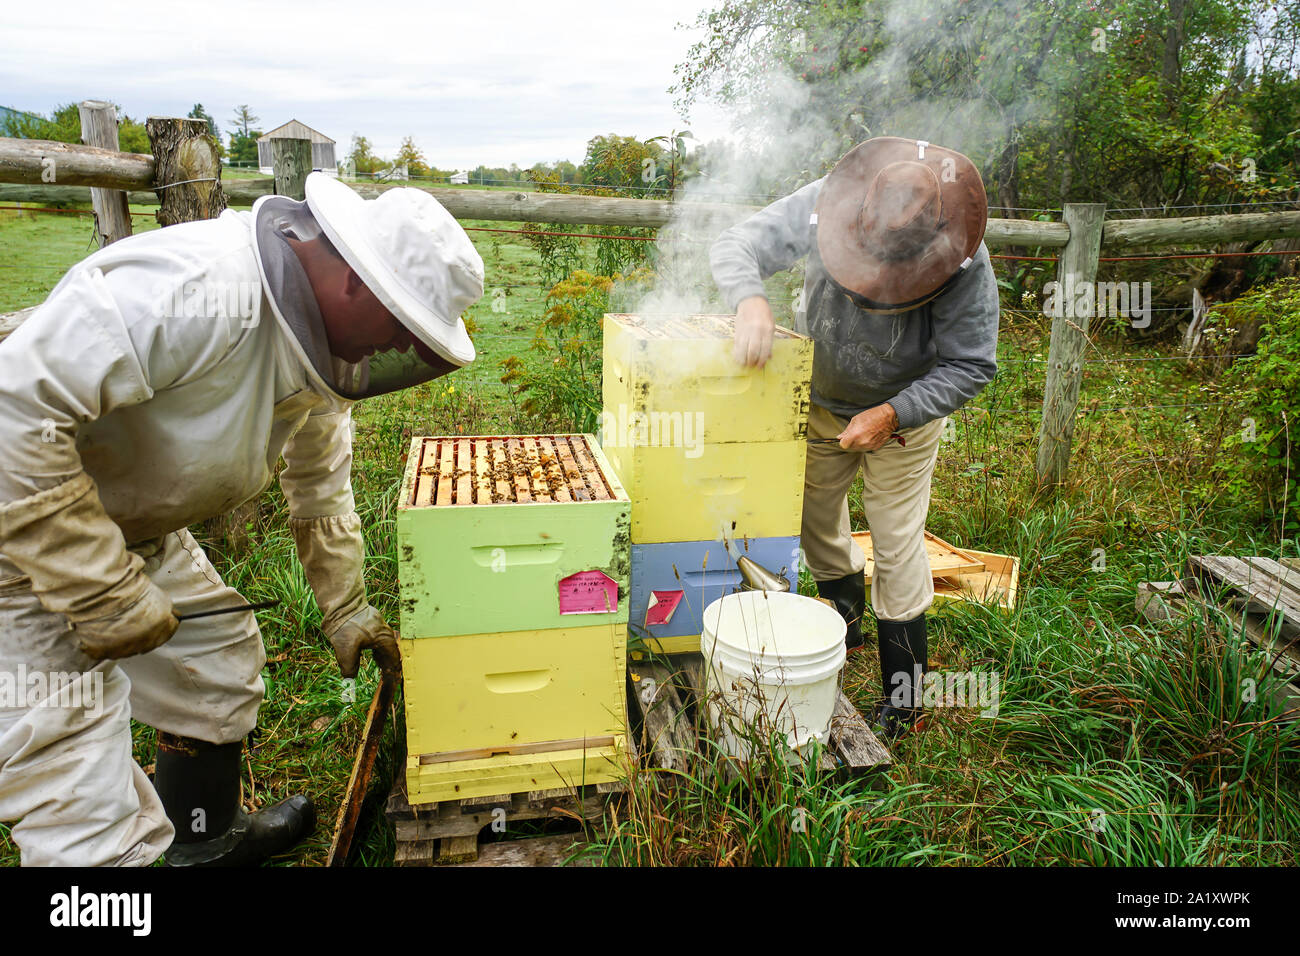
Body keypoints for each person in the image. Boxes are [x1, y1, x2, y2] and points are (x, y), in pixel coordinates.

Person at [0, 172, 484, 865]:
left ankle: (204, 840)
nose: (391, 355)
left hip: (131, 531)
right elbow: (12, 408)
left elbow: (320, 484)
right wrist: (99, 586)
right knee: (82, 815)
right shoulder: (197, 286)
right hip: (17, 539)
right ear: (356, 287)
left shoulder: (319, 357)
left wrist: (345, 605)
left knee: (217, 664)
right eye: (399, 331)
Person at [710, 137, 999, 738]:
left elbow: (971, 364)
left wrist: (894, 413)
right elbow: (736, 242)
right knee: (815, 515)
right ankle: (845, 612)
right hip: (820, 398)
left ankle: (906, 694)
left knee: (895, 541)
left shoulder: (964, 261)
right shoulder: (825, 202)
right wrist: (751, 300)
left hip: (905, 417)